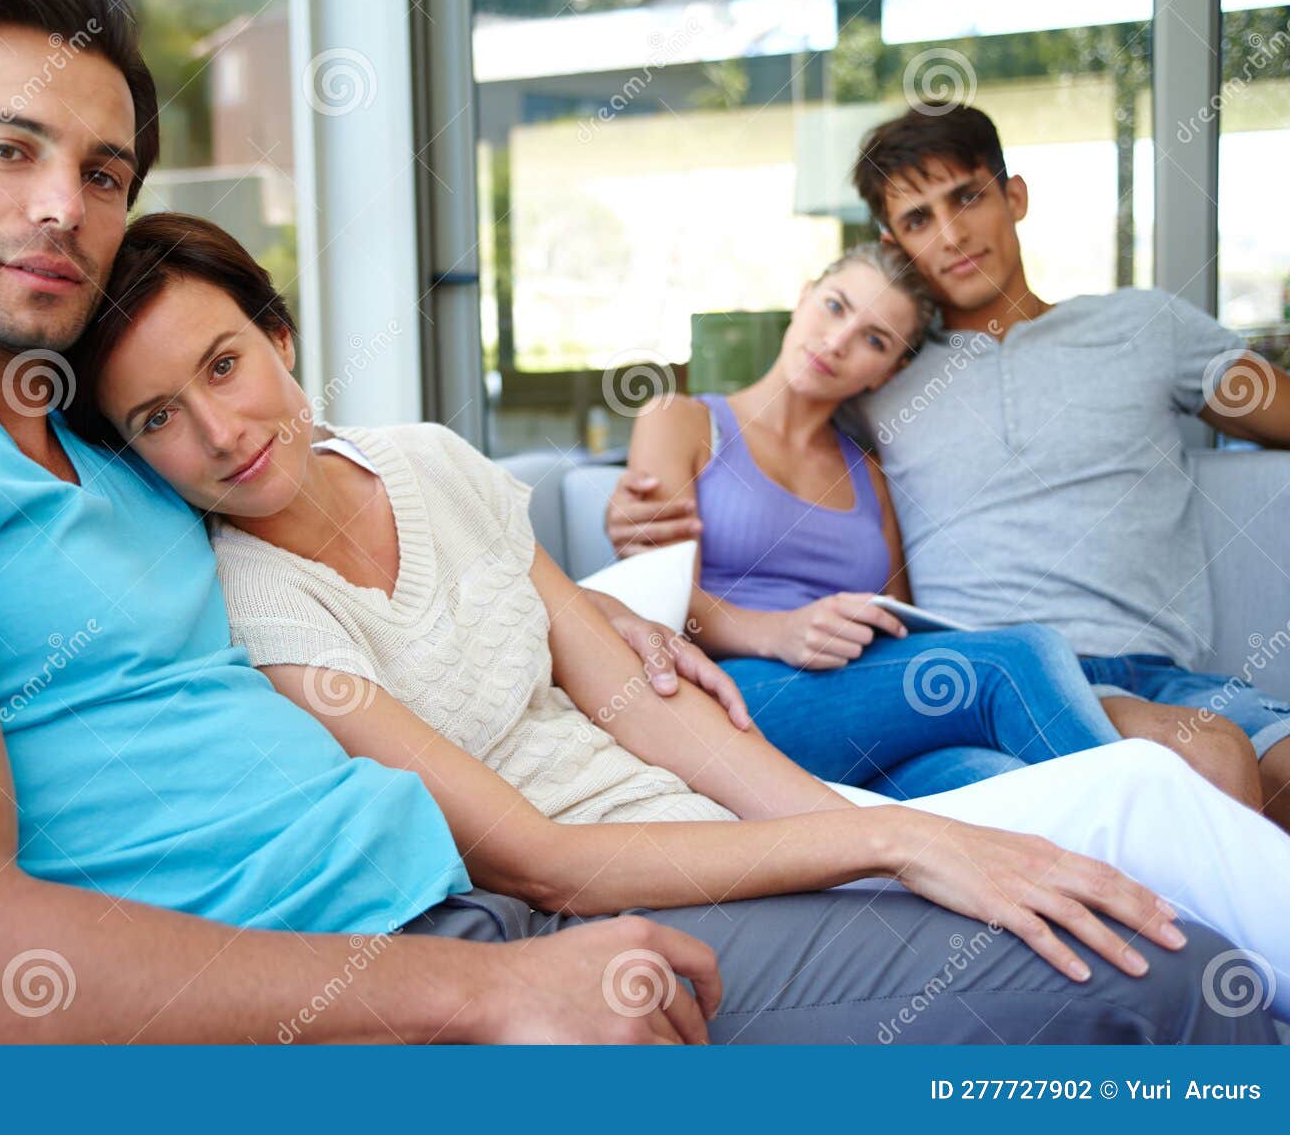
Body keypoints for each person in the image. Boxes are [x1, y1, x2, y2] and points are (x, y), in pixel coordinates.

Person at [0, 0, 1270, 1046]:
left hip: (486, 902)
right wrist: (490, 995)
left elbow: (416, 530)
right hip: (427, 977)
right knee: (1167, 987)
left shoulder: (111, 457)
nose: (62, 205)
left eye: (103, 170)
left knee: (1163, 952)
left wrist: (662, 627)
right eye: (8, 149)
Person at [64, 211, 1290, 1021]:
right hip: (638, 884)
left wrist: (853, 820)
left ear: (280, 339)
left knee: (1141, 795)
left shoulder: (423, 457)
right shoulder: (255, 604)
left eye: (222, 365)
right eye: (158, 417)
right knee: (1168, 958)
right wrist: (889, 844)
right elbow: (539, 858)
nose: (219, 432)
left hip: (728, 811)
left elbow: (633, 698)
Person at [608, 102, 1290, 823]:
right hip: (998, 678)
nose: (953, 235)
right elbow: (744, 447)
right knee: (1204, 758)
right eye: (918, 220)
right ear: (891, 244)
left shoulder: (1146, 328)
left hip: (1169, 674)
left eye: (967, 197)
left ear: (1013, 195)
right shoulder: (886, 384)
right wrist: (627, 507)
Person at [620, 241, 1137, 799]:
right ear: (803, 298)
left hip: (864, 710)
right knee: (1023, 655)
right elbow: (658, 602)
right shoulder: (681, 420)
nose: (837, 342)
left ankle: (1153, 872)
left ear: (888, 372)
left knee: (998, 784)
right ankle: (1173, 831)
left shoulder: (869, 474)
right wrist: (780, 633)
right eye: (835, 306)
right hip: (730, 691)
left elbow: (900, 620)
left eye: (874, 340)